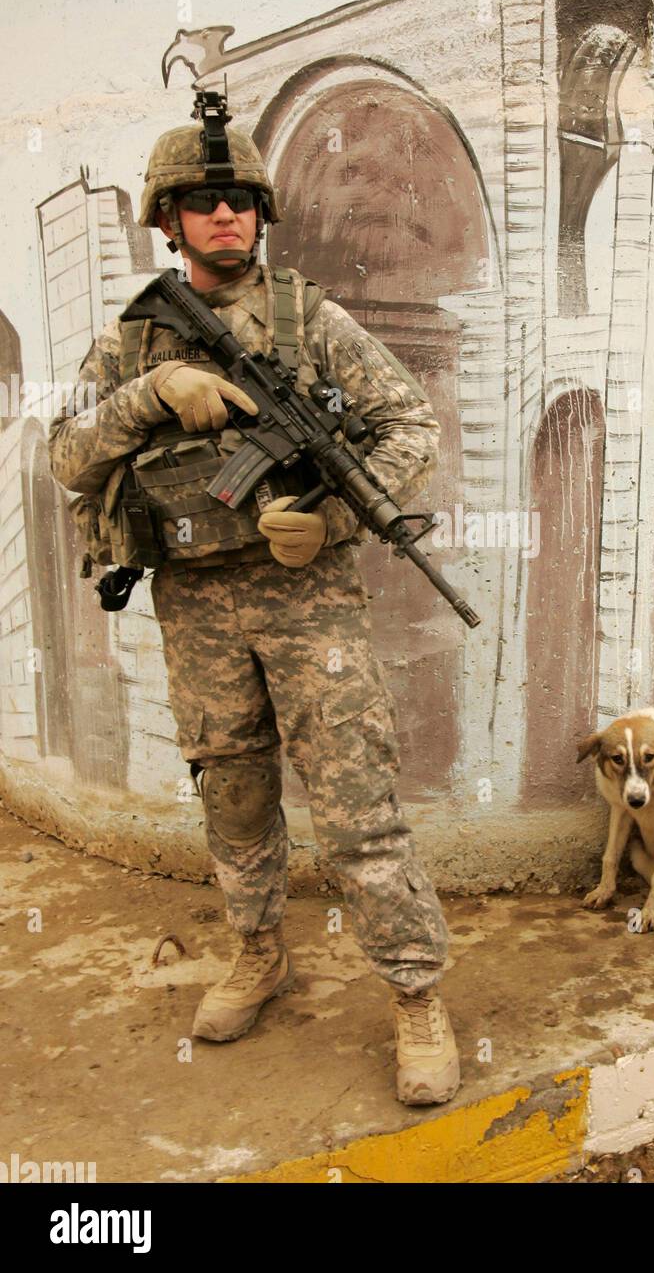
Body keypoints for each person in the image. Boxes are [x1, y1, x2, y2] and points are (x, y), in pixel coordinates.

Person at [47, 101, 460, 1106]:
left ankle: (417, 996)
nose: (224, 215)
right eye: (201, 201)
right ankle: (257, 953)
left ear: (260, 213)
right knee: (232, 793)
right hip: (196, 609)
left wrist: (336, 520)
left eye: (238, 200)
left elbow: (410, 424)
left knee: (357, 807)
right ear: (168, 219)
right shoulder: (135, 339)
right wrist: (154, 393)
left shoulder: (310, 319)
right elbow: (66, 456)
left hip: (308, 601)